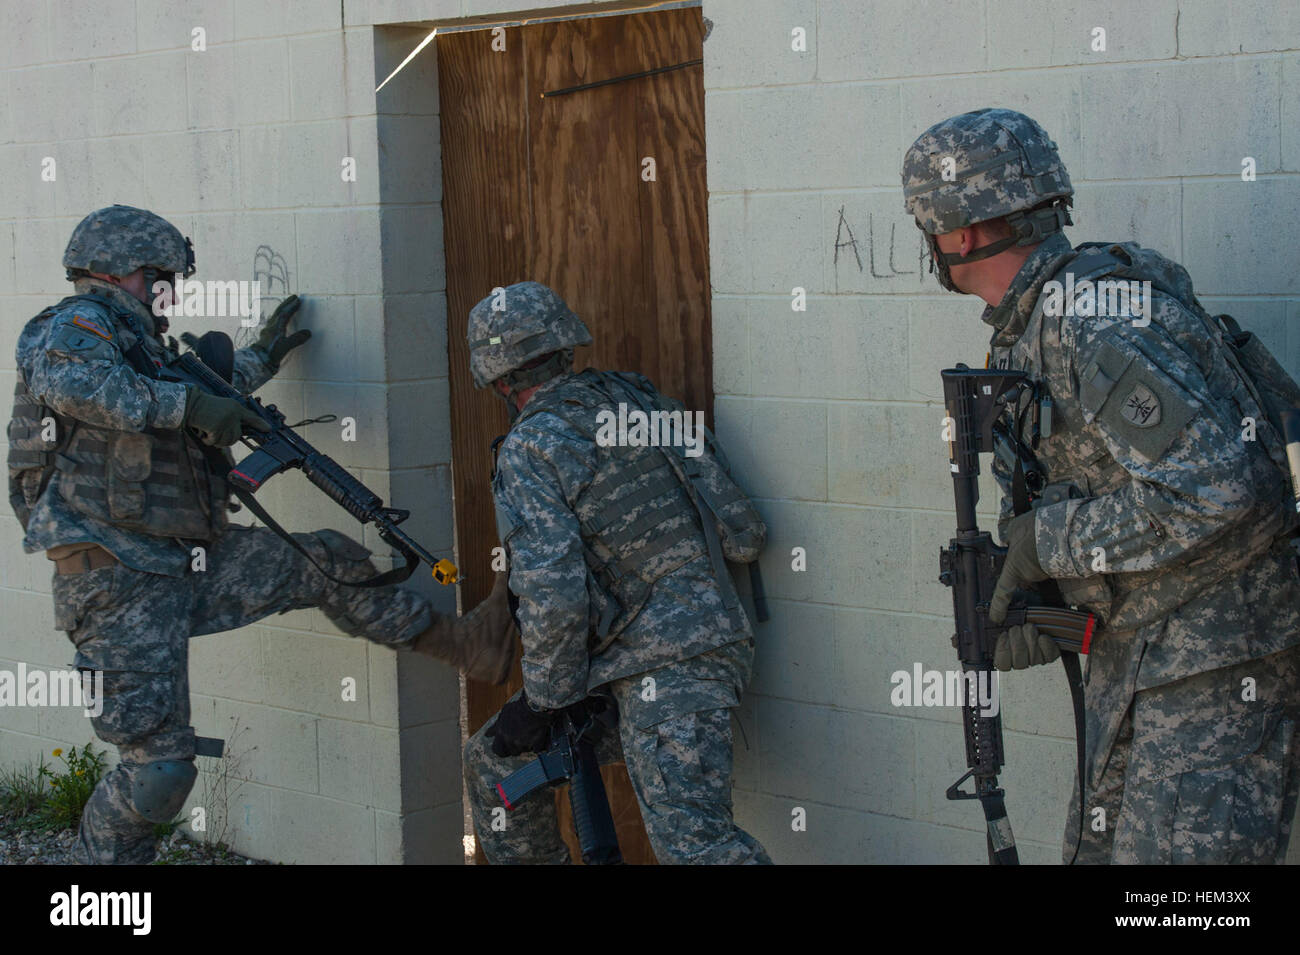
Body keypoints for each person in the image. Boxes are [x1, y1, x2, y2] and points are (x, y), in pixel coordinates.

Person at [8, 204, 517, 864]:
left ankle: (468, 646)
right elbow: (83, 388)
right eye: (162, 281)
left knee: (327, 559)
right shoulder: (71, 329)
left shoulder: (140, 347)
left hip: (186, 563)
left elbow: (197, 390)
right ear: (123, 273)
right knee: (159, 772)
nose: (170, 295)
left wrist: (259, 358)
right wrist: (190, 405)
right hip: (115, 582)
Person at [902, 109, 1300, 864]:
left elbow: (1216, 488)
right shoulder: (1044, 319)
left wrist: (1043, 543)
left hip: (1211, 666)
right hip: (1150, 657)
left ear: (954, 235)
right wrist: (1052, 603)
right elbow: (1122, 484)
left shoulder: (1089, 317)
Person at [460, 281, 771, 864]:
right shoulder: (640, 401)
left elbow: (552, 591)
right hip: (688, 647)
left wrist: (545, 701)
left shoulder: (532, 446)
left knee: (697, 848)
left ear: (500, 380)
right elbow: (745, 533)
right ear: (565, 346)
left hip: (666, 667)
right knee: (494, 763)